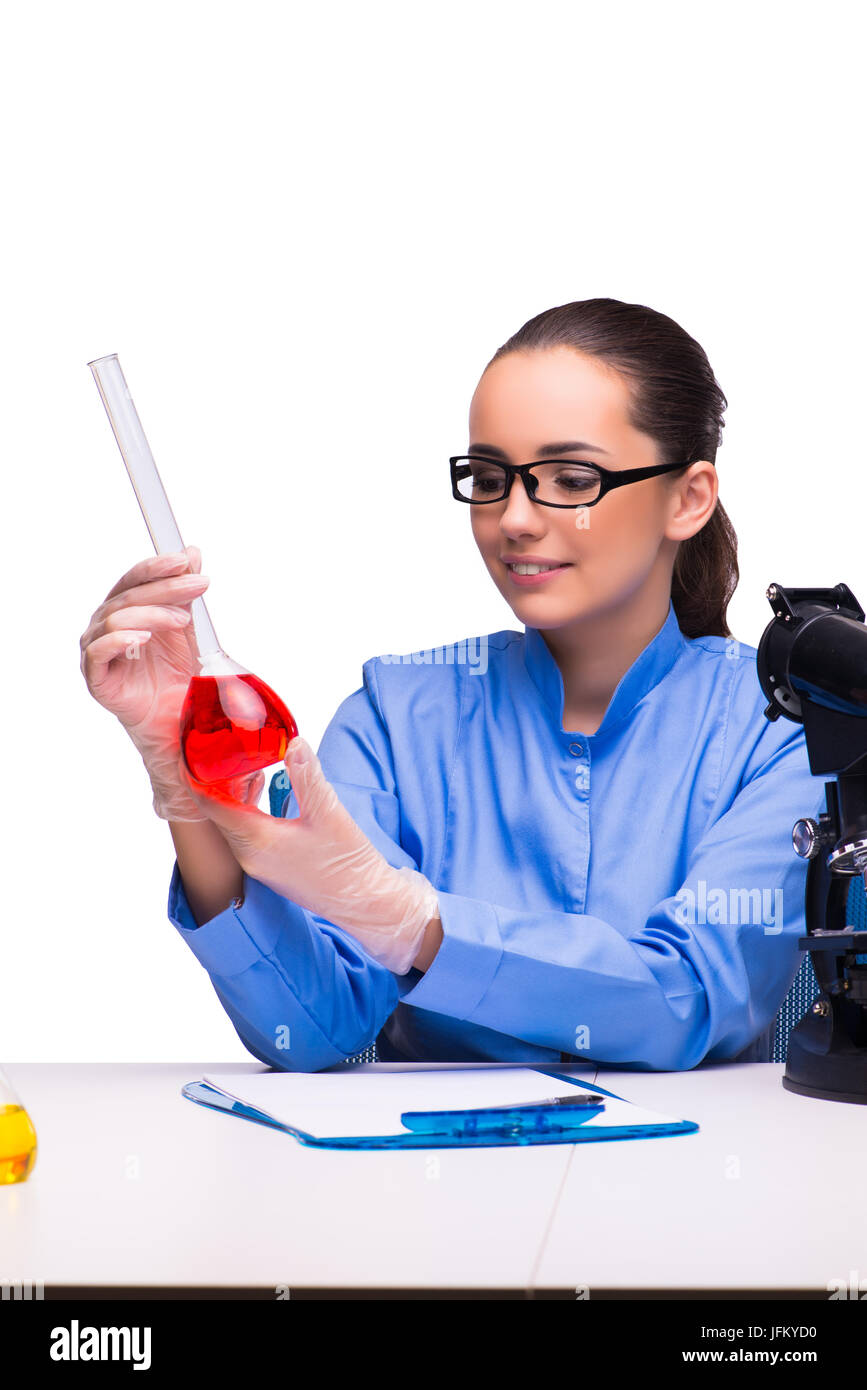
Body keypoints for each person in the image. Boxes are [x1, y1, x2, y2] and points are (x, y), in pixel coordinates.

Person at [80, 297, 824, 1073]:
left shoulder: (784, 726)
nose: (514, 518)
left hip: (693, 1182)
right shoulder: (396, 716)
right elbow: (314, 1028)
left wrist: (409, 921)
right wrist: (185, 779)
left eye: (570, 478)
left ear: (687, 497)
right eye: (489, 476)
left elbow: (687, 998)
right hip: (429, 1184)